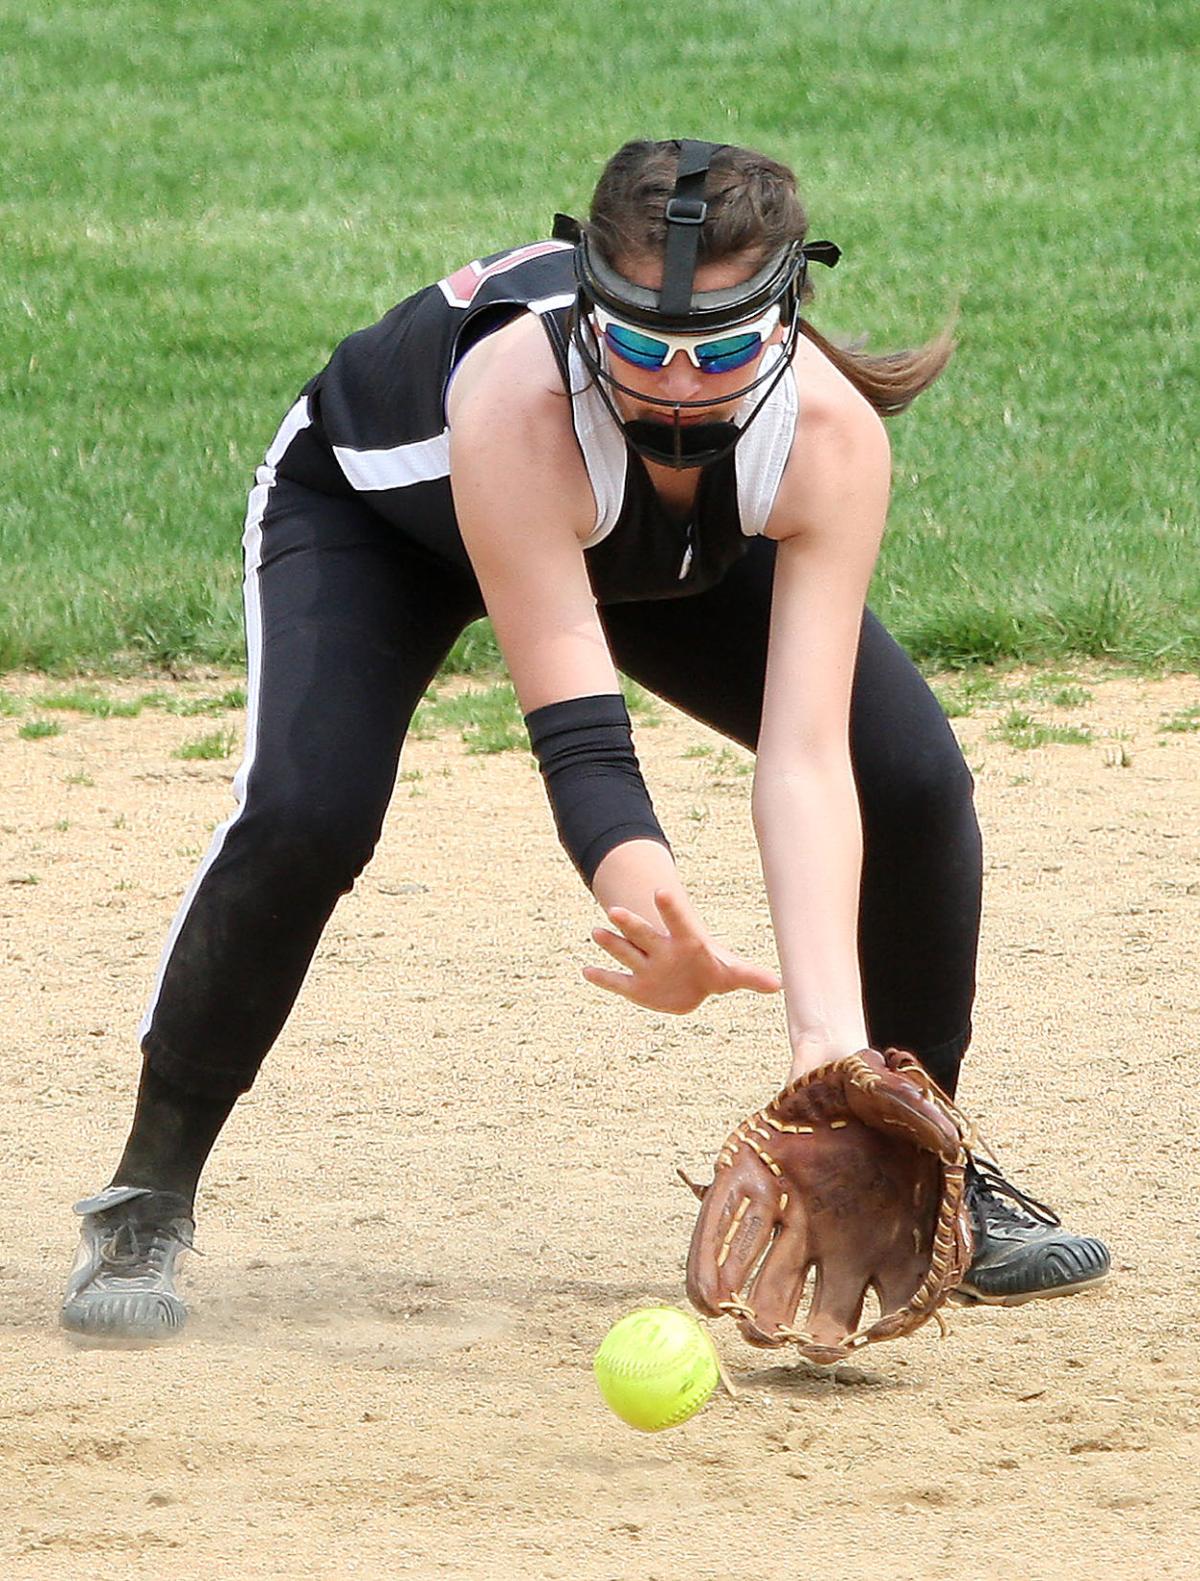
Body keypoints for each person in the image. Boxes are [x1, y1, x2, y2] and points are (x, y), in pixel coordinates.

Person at [61, 138, 1109, 1341]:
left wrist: (829, 1056)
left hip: (632, 543)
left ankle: (911, 1166)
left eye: (716, 350)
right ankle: (145, 1195)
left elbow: (806, 757)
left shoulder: (827, 439)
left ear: (784, 321)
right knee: (312, 809)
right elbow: (583, 744)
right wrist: (654, 911)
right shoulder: (518, 401)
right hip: (376, 526)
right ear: (586, 300)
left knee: (913, 778)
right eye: (636, 342)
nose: (674, 385)